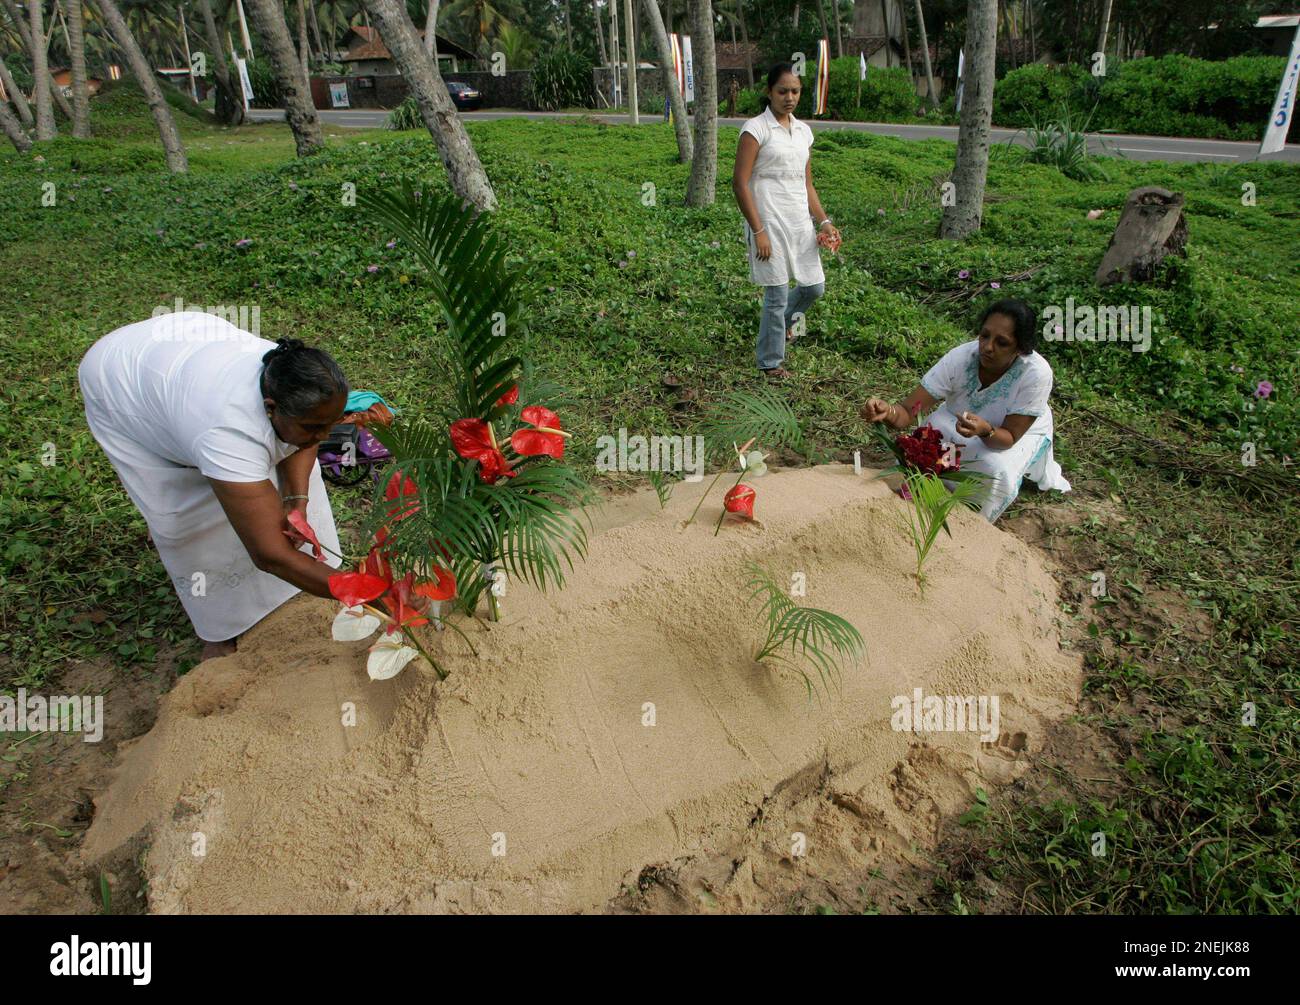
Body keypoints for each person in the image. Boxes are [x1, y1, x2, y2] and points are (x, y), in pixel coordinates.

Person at [78, 311, 351, 662]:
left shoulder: (295, 377)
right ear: (271, 409)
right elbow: (270, 554)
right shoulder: (223, 430)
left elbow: (304, 437)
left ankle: (303, 588)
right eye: (316, 427)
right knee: (186, 519)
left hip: (186, 348)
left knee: (289, 482)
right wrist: (365, 593)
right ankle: (220, 630)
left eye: (332, 424)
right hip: (122, 381)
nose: (325, 437)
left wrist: (295, 500)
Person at [860, 299, 1072, 522]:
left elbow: (1008, 437)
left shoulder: (1036, 375)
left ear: (1020, 349)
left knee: (994, 468)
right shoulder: (960, 358)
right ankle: (933, 487)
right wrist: (887, 412)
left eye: (1002, 343)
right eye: (984, 336)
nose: (988, 347)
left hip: (1013, 432)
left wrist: (985, 430)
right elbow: (907, 411)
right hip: (958, 420)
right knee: (927, 440)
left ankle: (972, 518)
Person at [732, 62, 841, 380]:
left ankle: (776, 329)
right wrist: (758, 231)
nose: (789, 97)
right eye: (782, 91)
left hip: (798, 221)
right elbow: (739, 183)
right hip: (768, 221)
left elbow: (806, 183)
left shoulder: (803, 132)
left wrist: (824, 222)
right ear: (769, 92)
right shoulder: (756, 129)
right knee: (777, 294)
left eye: (795, 91)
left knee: (814, 287)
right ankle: (770, 362)